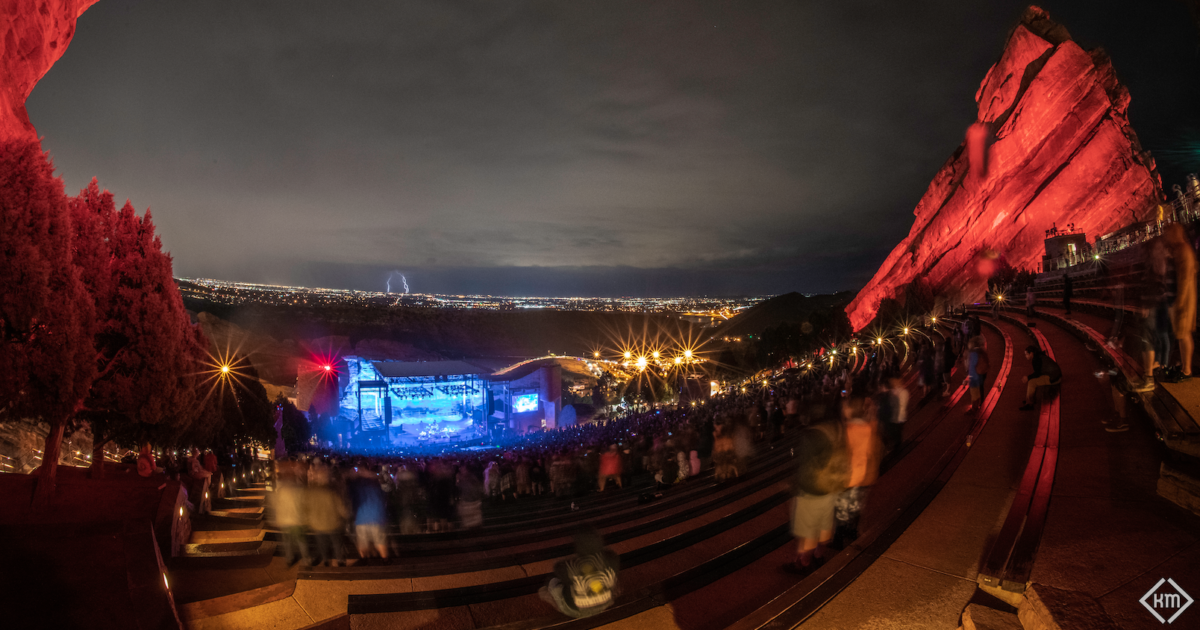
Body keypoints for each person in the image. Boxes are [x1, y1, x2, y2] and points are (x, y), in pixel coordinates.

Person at [784, 415, 848, 576]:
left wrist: (795, 488)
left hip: (813, 490)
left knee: (808, 528)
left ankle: (803, 563)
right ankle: (819, 556)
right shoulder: (837, 427)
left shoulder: (811, 435)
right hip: (832, 485)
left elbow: (805, 468)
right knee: (825, 524)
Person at [538, 528, 620, 618]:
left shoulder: (573, 565)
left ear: (578, 545)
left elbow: (557, 567)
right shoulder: (611, 558)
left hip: (572, 610)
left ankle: (555, 602)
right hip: (605, 604)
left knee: (548, 584)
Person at [835, 397, 881, 547]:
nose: (843, 410)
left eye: (846, 407)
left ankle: (839, 538)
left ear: (852, 410)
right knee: (857, 505)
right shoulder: (870, 427)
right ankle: (852, 531)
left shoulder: (849, 430)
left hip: (850, 477)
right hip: (866, 476)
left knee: (843, 507)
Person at [1165, 223, 1197, 380]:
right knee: (1182, 335)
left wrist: (1180, 301)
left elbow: (1184, 279)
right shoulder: (1179, 250)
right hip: (1182, 298)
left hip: (1184, 299)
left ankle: (1187, 370)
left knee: (1184, 335)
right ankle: (1184, 366)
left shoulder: (1183, 251)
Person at [305, 464, 348, 567]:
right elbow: (342, 509)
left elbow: (308, 509)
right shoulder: (332, 492)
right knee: (337, 544)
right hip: (334, 524)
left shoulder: (312, 493)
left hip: (318, 525)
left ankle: (325, 561)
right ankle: (340, 561)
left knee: (322, 545)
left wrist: (309, 520)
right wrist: (347, 516)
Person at [1018, 345, 1062, 411]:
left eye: (1027, 354)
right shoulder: (1038, 356)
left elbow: (1037, 373)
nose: (1025, 356)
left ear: (1031, 353)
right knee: (1032, 380)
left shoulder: (1036, 360)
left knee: (1032, 382)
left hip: (1053, 378)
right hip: (1055, 375)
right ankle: (1030, 400)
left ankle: (1029, 404)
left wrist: (1028, 377)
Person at [963, 335, 988, 414]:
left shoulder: (973, 353)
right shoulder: (981, 351)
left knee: (974, 393)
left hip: (975, 377)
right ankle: (979, 405)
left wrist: (969, 378)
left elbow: (972, 366)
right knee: (978, 392)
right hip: (981, 374)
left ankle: (974, 408)